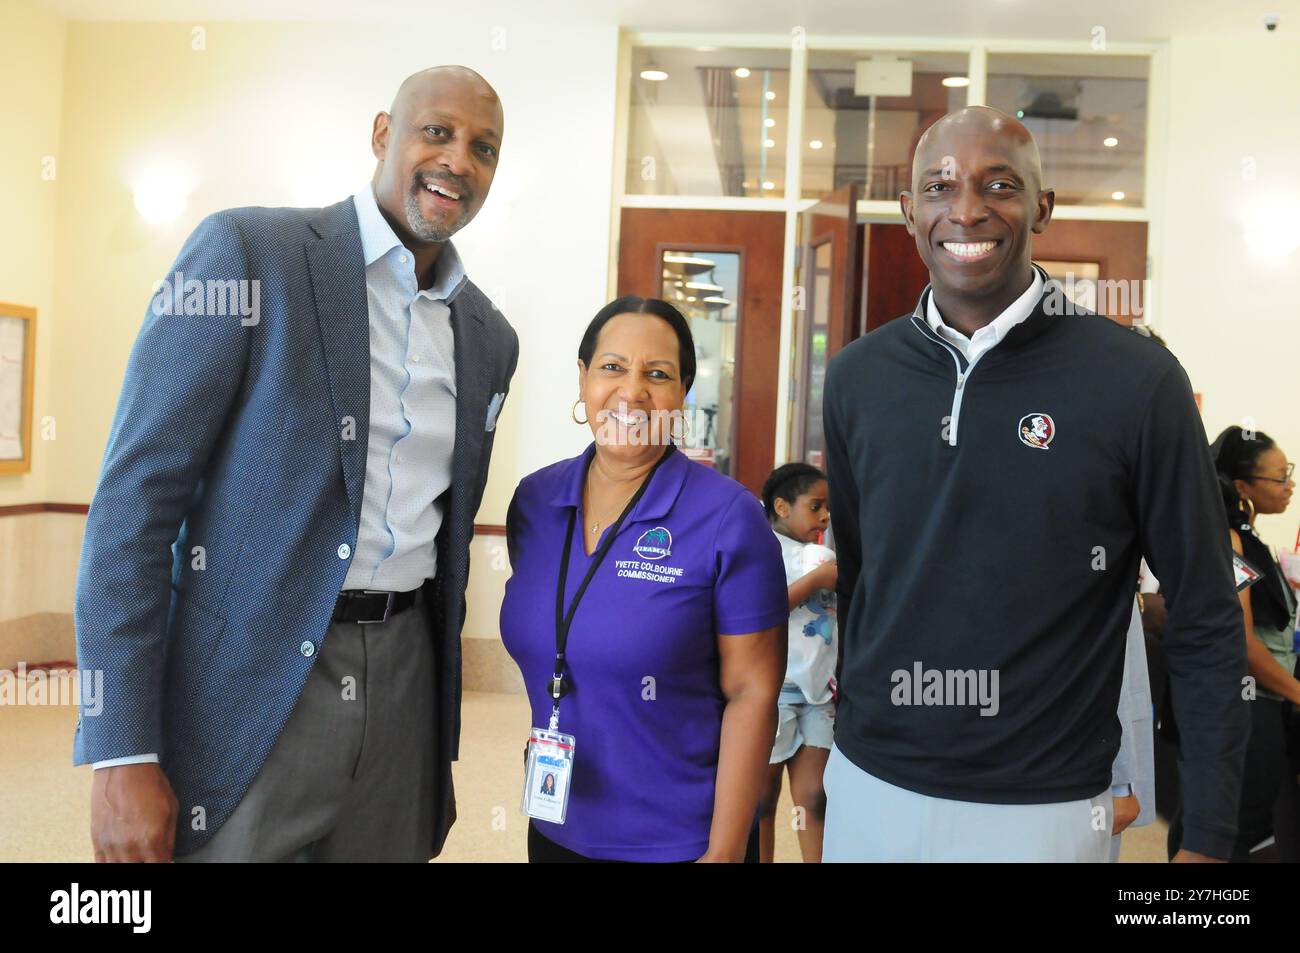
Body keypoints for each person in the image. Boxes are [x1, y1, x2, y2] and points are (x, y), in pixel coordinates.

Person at [74, 66, 518, 862]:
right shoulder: (250, 253)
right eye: (437, 132)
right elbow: (135, 502)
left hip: (406, 685)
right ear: (383, 134)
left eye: (483, 147)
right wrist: (122, 748)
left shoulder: (488, 334)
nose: (459, 160)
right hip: (250, 683)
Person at [821, 105, 1248, 862]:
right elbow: (863, 580)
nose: (967, 209)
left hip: (1045, 809)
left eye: (1000, 184)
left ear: (1042, 208)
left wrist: (1209, 837)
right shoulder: (858, 376)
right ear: (908, 213)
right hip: (871, 785)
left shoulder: (1137, 380)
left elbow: (1208, 613)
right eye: (940, 186)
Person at [500, 296, 787, 863]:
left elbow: (753, 692)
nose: (632, 392)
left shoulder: (729, 517)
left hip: (682, 841)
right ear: (582, 378)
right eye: (612, 367)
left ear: (682, 395)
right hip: (558, 827)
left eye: (657, 374)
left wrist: (726, 852)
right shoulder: (535, 501)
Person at [1167, 426, 1298, 860]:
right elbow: (1238, 643)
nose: (1289, 486)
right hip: (1242, 707)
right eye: (1279, 477)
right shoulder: (1228, 540)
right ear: (1242, 486)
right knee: (1224, 833)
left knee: (1256, 828)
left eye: (1289, 474)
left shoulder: (1251, 540)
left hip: (1265, 707)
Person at [756, 463, 837, 863]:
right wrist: (815, 582)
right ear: (783, 507)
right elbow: (763, 610)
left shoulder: (823, 555)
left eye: (828, 508)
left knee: (813, 799)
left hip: (819, 693)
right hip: (776, 693)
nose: (824, 517)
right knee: (762, 800)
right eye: (816, 506)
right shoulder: (763, 551)